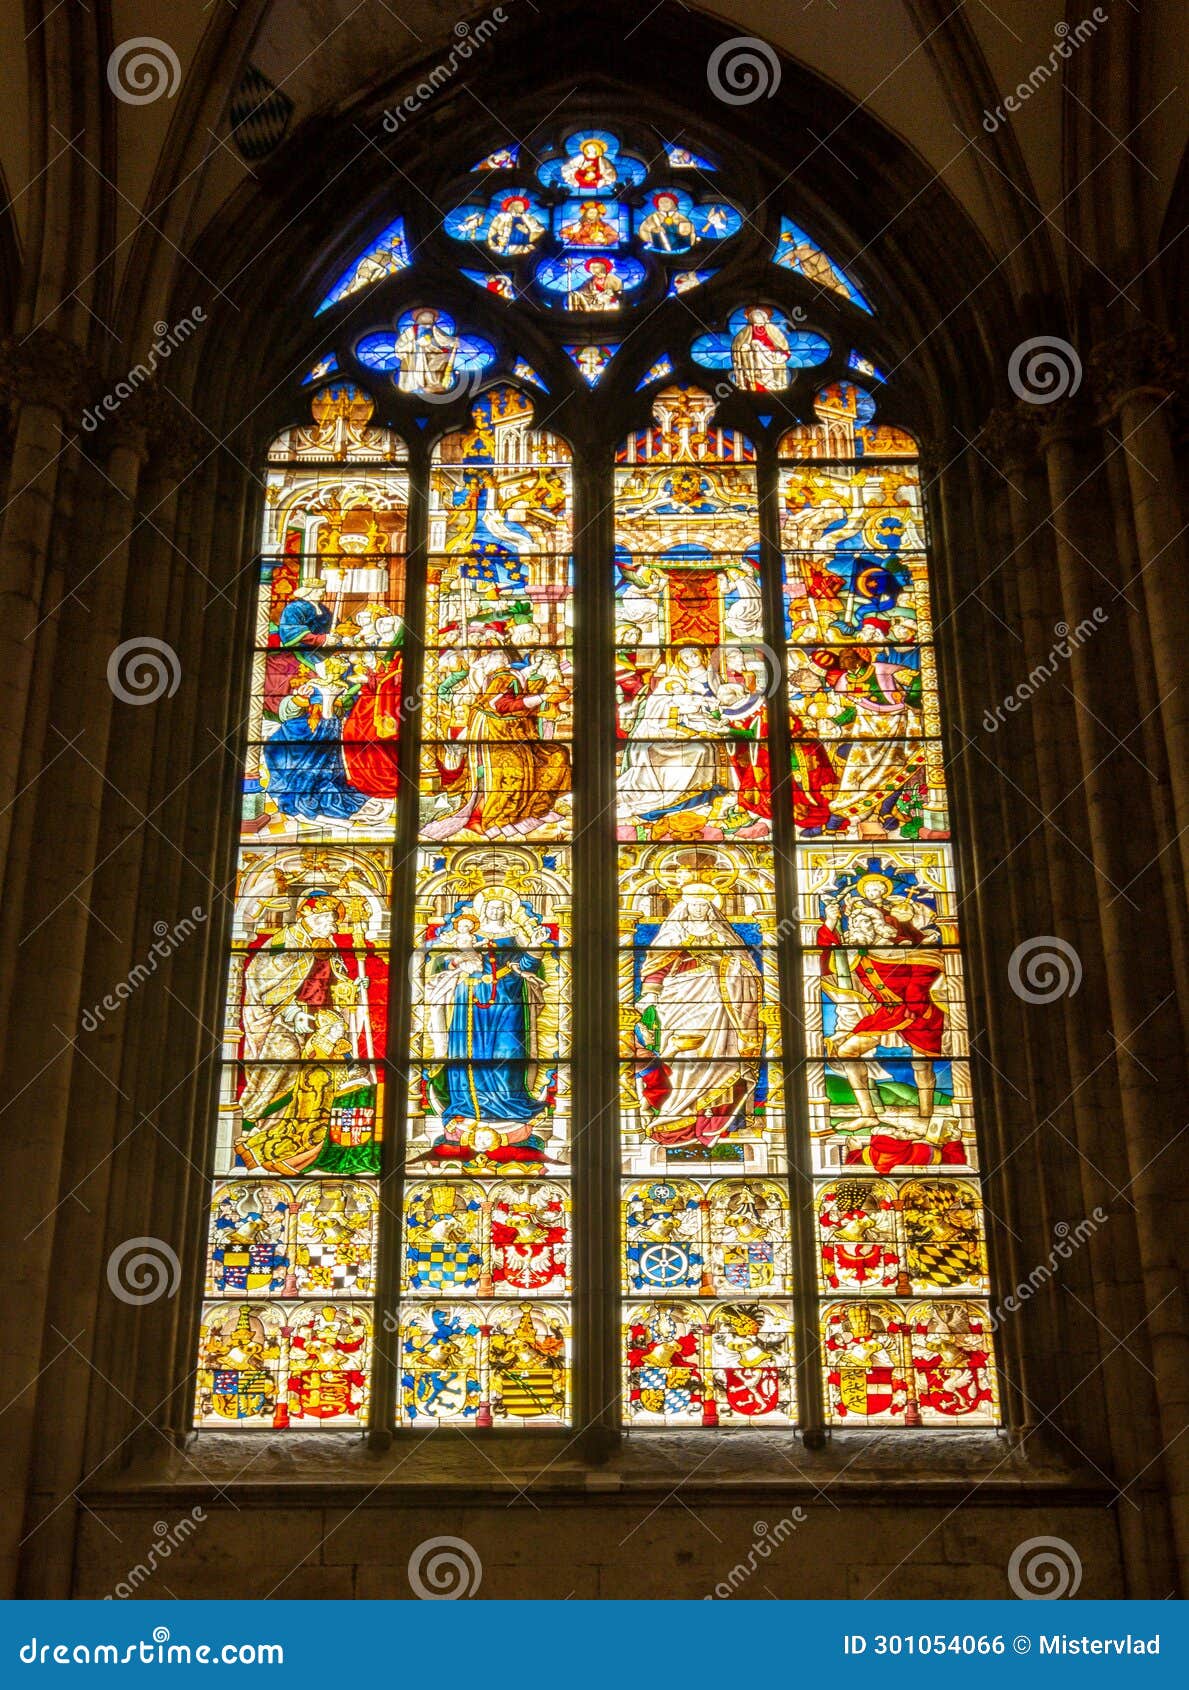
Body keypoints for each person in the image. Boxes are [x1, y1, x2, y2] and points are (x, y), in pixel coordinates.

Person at [633, 880, 763, 1148]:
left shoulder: (724, 935)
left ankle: (714, 1120)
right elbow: (657, 967)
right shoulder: (672, 934)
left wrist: (725, 962)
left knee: (723, 1055)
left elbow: (747, 968)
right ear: (684, 908)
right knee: (682, 1056)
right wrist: (650, 995)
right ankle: (675, 1111)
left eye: (704, 907)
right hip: (680, 1000)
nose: (699, 912)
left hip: (721, 1001)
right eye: (693, 906)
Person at [393, 308, 459, 395]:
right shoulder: (410, 331)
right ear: (419, 318)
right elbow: (399, 347)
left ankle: (434, 384)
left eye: (431, 318)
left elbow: (443, 339)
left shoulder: (435, 329)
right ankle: (422, 385)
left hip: (434, 352)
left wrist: (453, 341)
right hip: (415, 355)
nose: (429, 319)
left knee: (443, 357)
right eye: (426, 316)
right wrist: (415, 343)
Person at [731, 306, 790, 391]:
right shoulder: (744, 332)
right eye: (754, 316)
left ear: (765, 317)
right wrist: (745, 349)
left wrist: (770, 351)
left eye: (760, 316)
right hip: (752, 363)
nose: (757, 318)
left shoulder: (773, 330)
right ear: (750, 318)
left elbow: (783, 346)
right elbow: (736, 349)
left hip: (771, 361)